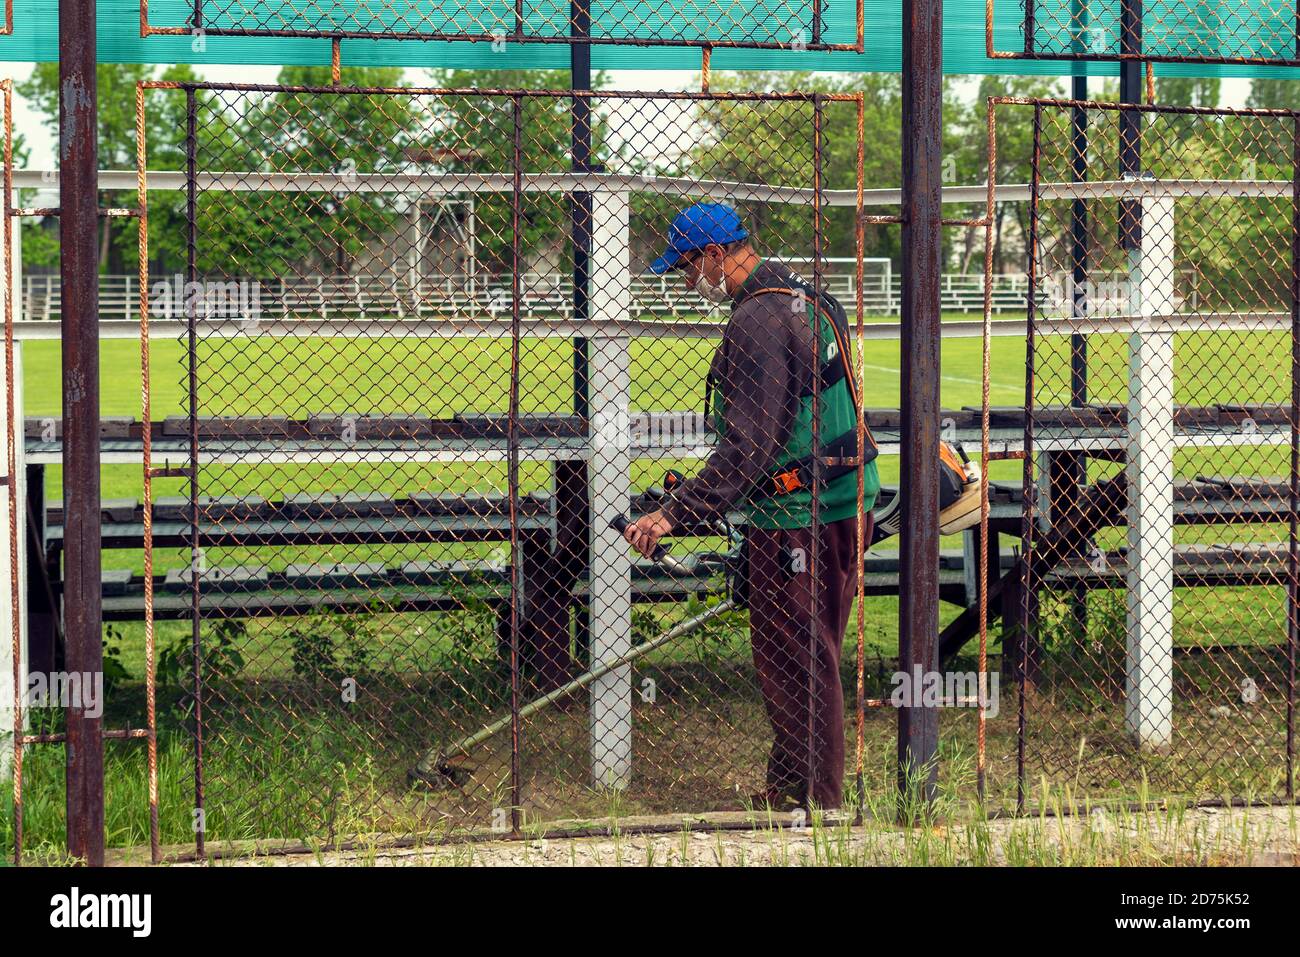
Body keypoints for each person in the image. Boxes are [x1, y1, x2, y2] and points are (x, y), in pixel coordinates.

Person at [622, 202, 880, 810]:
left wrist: (673, 512)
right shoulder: (806, 298)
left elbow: (750, 441)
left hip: (799, 516)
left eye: (687, 268)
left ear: (715, 256)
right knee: (808, 651)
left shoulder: (756, 321)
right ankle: (790, 790)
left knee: (797, 662)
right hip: (842, 500)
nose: (688, 283)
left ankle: (820, 803)